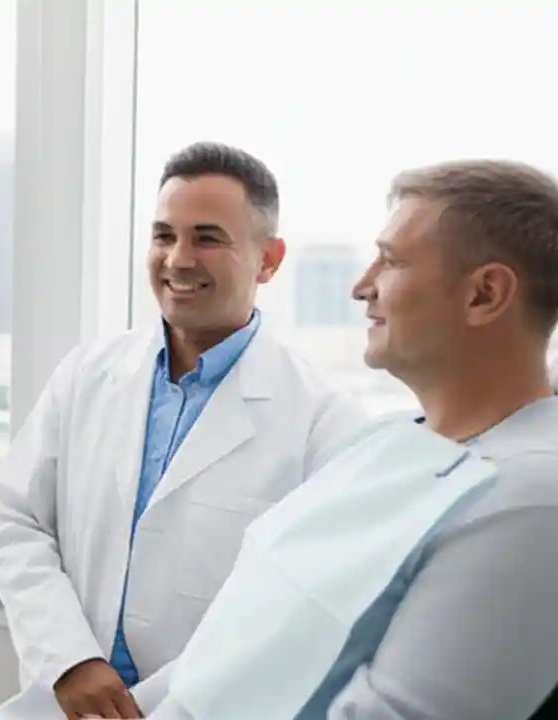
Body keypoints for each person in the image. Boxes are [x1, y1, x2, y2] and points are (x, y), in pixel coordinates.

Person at [139, 159, 558, 719]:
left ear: (484, 295)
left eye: (392, 260)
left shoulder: (531, 505)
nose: (362, 287)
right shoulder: (384, 442)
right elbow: (231, 648)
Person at [0, 142, 368, 720]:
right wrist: (69, 661)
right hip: (60, 703)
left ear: (269, 259)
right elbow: (15, 520)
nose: (178, 259)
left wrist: (156, 706)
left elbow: (301, 605)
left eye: (207, 238)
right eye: (164, 235)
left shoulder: (324, 421)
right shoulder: (89, 375)